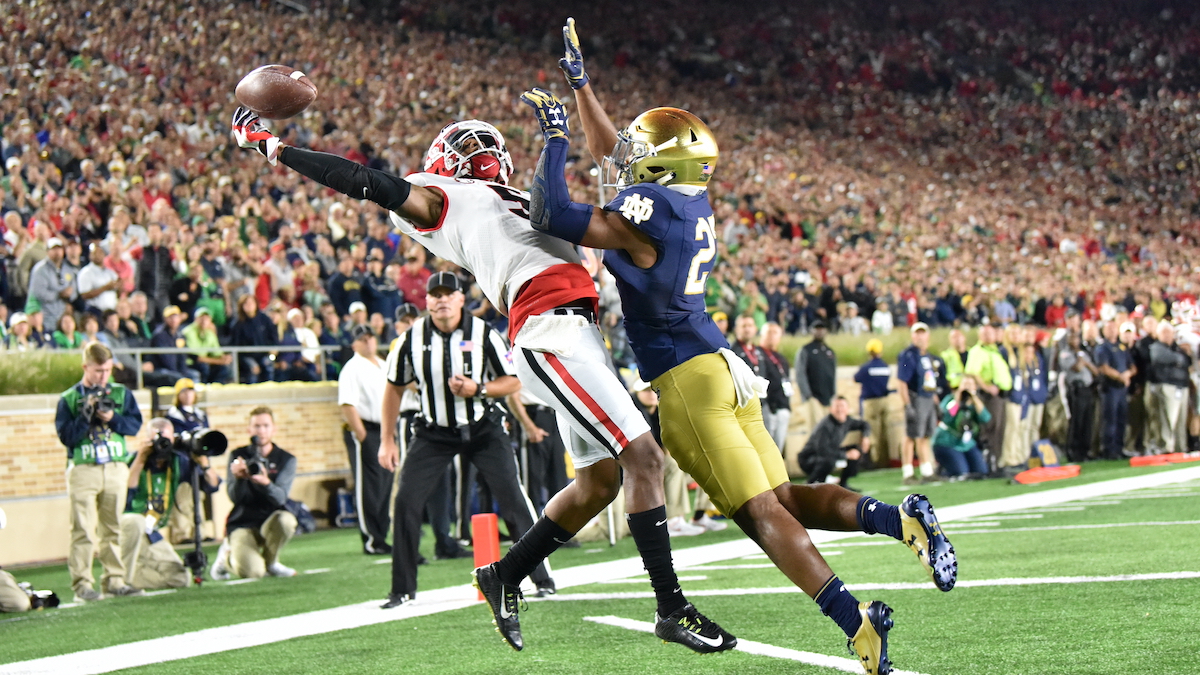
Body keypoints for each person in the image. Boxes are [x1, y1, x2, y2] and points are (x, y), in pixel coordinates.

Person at [522, 25, 959, 671]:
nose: (632, 152)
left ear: (662, 165)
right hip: (727, 367)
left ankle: (854, 622)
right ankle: (897, 520)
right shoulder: (685, 201)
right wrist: (583, 86)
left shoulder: (647, 207)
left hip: (686, 381)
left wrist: (554, 137)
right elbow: (615, 152)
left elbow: (548, 211)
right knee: (785, 498)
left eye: (646, 149)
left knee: (760, 515)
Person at [231, 96, 716, 653]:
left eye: (484, 141)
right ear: (443, 158)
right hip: (549, 332)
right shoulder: (444, 198)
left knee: (599, 483)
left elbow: (599, 212)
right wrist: (277, 148)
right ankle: (671, 607)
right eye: (465, 142)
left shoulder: (514, 197)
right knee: (646, 458)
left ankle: (504, 575)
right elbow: (363, 180)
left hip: (580, 334)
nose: (478, 149)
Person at [378, 273, 552, 607]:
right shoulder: (410, 339)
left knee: (513, 500)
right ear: (426, 301)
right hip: (433, 432)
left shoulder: (483, 333)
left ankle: (542, 577)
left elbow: (512, 381)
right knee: (406, 503)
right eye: (435, 295)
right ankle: (402, 589)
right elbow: (393, 388)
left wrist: (478, 389)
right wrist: (387, 440)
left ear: (461, 299)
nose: (441, 300)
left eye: (448, 294)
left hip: (483, 428)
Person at [54, 341, 144, 601]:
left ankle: (114, 580)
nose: (103, 376)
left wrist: (111, 418)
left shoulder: (121, 393)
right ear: (85, 367)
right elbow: (67, 437)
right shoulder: (69, 398)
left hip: (115, 466)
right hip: (83, 467)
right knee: (82, 528)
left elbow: (133, 426)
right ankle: (82, 584)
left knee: (112, 527)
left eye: (106, 370)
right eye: (97, 371)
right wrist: (85, 415)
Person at [120, 417, 222, 589]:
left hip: (151, 532)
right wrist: (140, 458)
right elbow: (125, 493)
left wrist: (203, 462)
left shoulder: (178, 462)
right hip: (129, 529)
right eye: (157, 439)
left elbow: (213, 485)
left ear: (174, 439)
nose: (162, 444)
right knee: (135, 522)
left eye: (166, 439)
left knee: (180, 578)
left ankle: (128, 578)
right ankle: (121, 578)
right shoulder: (134, 460)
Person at [210, 406, 298, 580]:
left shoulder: (286, 459)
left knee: (286, 521)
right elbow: (233, 497)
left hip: (270, 521)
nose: (262, 431)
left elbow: (280, 498)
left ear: (274, 429)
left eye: (266, 426)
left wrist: (265, 483)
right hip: (243, 522)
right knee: (253, 573)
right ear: (249, 430)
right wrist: (240, 478)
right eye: (257, 426)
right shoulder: (239, 455)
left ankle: (271, 563)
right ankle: (226, 558)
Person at [338, 324, 393, 555]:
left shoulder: (381, 363)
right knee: (368, 486)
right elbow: (347, 405)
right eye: (363, 339)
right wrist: (361, 435)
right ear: (355, 344)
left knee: (384, 484)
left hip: (383, 430)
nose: (369, 342)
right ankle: (372, 538)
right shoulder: (352, 367)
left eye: (370, 338)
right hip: (367, 429)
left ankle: (381, 534)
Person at [896, 323, 939, 484]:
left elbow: (930, 381)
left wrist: (935, 401)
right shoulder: (908, 355)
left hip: (927, 397)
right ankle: (907, 471)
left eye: (923, 333)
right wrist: (907, 404)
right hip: (916, 398)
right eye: (917, 334)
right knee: (911, 435)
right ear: (913, 336)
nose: (920, 337)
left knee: (925, 435)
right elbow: (902, 381)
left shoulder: (927, 356)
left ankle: (927, 470)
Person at [965, 325, 1013, 468]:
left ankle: (996, 461)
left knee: (999, 429)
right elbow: (973, 372)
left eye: (990, 333)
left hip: (1001, 395)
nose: (988, 336)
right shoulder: (977, 351)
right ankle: (989, 463)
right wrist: (987, 387)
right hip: (988, 397)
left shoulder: (995, 350)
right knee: (990, 429)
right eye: (985, 334)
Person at [798, 396, 871, 489]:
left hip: (828, 453)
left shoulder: (847, 421)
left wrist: (865, 437)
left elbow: (864, 424)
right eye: (837, 406)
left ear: (848, 409)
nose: (840, 409)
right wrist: (845, 454)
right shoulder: (825, 426)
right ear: (831, 409)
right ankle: (811, 483)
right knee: (828, 459)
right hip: (809, 459)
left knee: (855, 450)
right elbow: (822, 450)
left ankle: (843, 483)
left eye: (842, 406)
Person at [932, 377, 991, 479]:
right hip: (947, 442)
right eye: (965, 384)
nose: (967, 387)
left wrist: (974, 397)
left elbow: (985, 418)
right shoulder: (950, 399)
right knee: (961, 472)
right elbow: (948, 416)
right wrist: (958, 398)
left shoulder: (974, 404)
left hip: (966, 443)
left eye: (970, 384)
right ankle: (942, 469)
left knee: (981, 471)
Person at [1147, 321, 1192, 455]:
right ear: (1158, 334)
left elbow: (1187, 360)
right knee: (1167, 418)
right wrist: (1178, 360)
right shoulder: (1156, 346)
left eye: (1169, 332)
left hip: (1182, 386)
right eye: (1164, 332)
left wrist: (1178, 359)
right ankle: (1166, 446)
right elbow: (1161, 358)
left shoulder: (1177, 348)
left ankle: (1181, 446)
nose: (1167, 335)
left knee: (1181, 419)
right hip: (1168, 385)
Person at [1094, 321, 1135, 460]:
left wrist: (1127, 375)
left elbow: (1133, 367)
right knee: (1110, 420)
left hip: (1122, 389)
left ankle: (1119, 447)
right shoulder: (1103, 347)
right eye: (1109, 329)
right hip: (1110, 387)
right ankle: (1108, 449)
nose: (1111, 331)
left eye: (1113, 329)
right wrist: (1120, 377)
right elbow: (1104, 368)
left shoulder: (1122, 347)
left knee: (1122, 419)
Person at [1058, 330, 1098, 462]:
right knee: (1076, 421)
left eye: (1076, 338)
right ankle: (1073, 451)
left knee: (1087, 421)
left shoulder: (1083, 353)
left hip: (1087, 389)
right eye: (1072, 339)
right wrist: (1082, 361)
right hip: (1076, 389)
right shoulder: (1065, 353)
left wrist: (1085, 362)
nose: (1075, 341)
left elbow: (1095, 370)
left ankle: (1085, 450)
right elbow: (1077, 368)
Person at [795, 319, 838, 441]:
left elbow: (834, 374)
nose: (819, 332)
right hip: (813, 398)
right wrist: (808, 395)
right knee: (815, 432)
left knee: (829, 432)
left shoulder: (830, 352)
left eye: (822, 329)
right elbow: (800, 374)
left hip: (829, 398)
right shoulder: (806, 350)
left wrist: (834, 395)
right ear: (811, 331)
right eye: (816, 329)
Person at [854, 339, 894, 469]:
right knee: (884, 431)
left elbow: (856, 378)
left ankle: (875, 461)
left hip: (871, 403)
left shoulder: (866, 367)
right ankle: (884, 459)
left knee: (872, 433)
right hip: (885, 401)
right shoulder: (885, 367)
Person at [27, 237, 76, 335]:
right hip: (45, 315)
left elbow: (74, 290)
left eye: (59, 249)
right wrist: (58, 295)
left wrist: (70, 295)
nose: (57, 252)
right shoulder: (40, 270)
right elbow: (38, 293)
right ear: (47, 251)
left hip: (62, 316)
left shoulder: (68, 269)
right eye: (53, 249)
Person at [758, 322, 794, 452]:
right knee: (766, 448)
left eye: (775, 333)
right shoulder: (758, 355)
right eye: (769, 332)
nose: (772, 336)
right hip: (768, 407)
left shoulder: (781, 358)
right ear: (762, 335)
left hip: (782, 406)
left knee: (778, 447)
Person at [149, 305, 201, 384]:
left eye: (175, 317)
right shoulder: (159, 335)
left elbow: (183, 355)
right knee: (176, 377)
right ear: (165, 319)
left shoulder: (180, 335)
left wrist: (183, 371)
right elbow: (166, 359)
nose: (173, 320)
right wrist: (179, 374)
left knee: (194, 375)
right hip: (162, 369)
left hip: (177, 370)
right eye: (170, 317)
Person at [183, 307, 232, 384]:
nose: (204, 321)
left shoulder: (210, 333)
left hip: (205, 362)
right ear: (195, 319)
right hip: (190, 364)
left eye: (206, 318)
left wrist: (225, 358)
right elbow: (195, 357)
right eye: (201, 318)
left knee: (224, 368)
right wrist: (219, 361)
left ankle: (215, 389)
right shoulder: (188, 331)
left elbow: (217, 353)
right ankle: (203, 389)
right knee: (204, 367)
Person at [77, 242, 120, 315]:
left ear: (104, 255)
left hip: (111, 312)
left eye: (100, 252)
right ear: (90, 255)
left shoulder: (110, 272)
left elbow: (118, 289)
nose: (97, 255)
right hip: (94, 311)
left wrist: (119, 285)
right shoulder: (86, 272)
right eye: (94, 253)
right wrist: (104, 288)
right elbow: (84, 295)